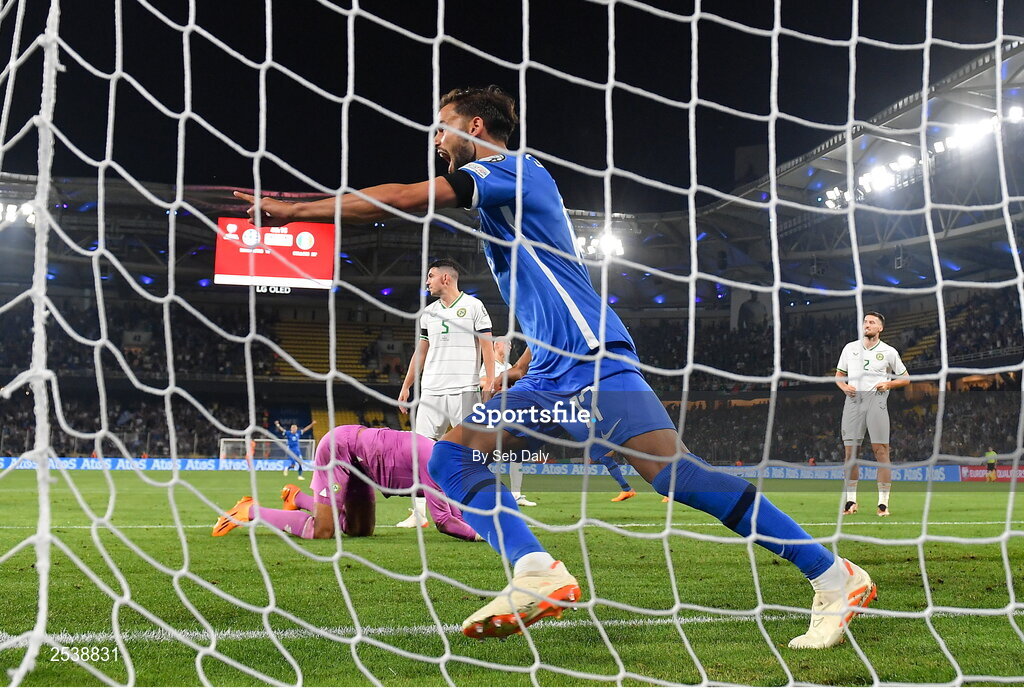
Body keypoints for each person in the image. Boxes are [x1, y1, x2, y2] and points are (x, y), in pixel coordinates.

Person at [234, 85, 875, 650]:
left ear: (474, 128)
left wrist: (296, 212)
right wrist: (521, 364)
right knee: (452, 459)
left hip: (592, 361)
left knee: (677, 478)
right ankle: (535, 570)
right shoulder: (500, 202)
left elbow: (403, 198)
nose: (435, 139)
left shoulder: (513, 171)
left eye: (441, 125)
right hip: (549, 373)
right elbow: (541, 295)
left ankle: (833, 574)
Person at [212, 425, 478, 542]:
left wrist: (483, 524)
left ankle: (298, 498)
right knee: (323, 531)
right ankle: (249, 510)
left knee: (360, 531)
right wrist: (481, 536)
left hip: (364, 466)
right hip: (341, 449)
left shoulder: (444, 460)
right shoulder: (435, 461)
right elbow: (444, 522)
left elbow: (455, 512)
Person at [392, 258, 495, 529]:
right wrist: (406, 385)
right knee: (421, 452)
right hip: (431, 392)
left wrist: (490, 380)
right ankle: (419, 513)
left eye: (431, 276)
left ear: (446, 279)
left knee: (470, 453)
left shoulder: (474, 306)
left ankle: (476, 510)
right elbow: (421, 351)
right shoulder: (428, 313)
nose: (427, 281)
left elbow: (487, 344)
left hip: (465, 388)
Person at [835, 311, 909, 517]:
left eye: (872, 322)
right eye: (865, 322)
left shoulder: (889, 352)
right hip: (853, 402)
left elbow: (905, 378)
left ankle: (883, 504)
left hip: (876, 401)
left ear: (880, 328)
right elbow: (839, 376)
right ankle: (851, 502)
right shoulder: (850, 348)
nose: (867, 324)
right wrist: (844, 387)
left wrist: (888, 383)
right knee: (850, 454)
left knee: (881, 452)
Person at [482, 336, 536, 507]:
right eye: (507, 344)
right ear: (496, 345)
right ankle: (489, 494)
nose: (509, 347)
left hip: (511, 414)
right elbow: (482, 381)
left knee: (517, 454)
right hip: (494, 415)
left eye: (511, 345)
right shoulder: (490, 365)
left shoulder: (509, 368)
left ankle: (516, 495)